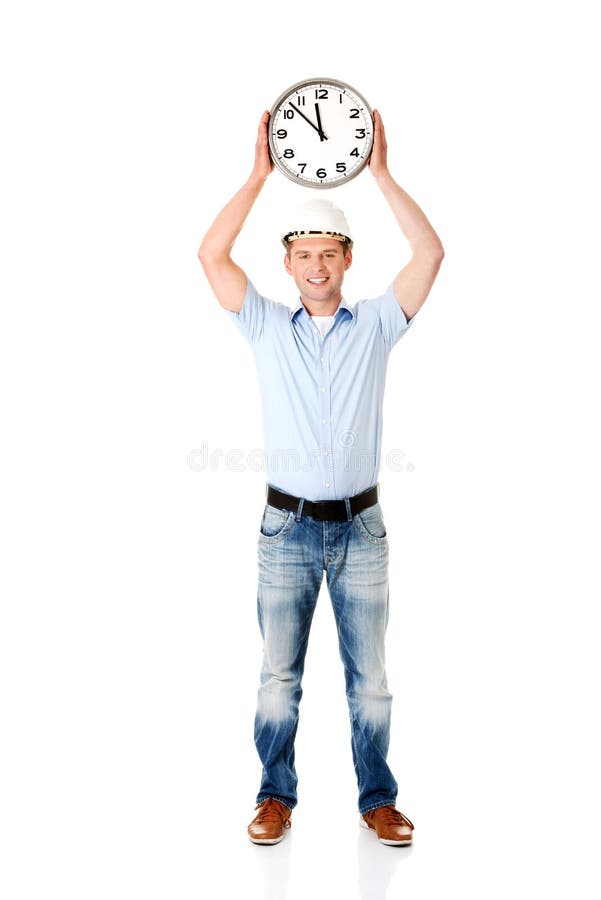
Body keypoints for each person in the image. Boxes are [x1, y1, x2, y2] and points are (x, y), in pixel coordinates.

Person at [198, 108, 444, 846]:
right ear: (287, 263)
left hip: (362, 528)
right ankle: (275, 796)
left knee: (369, 679)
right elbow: (210, 256)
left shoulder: (375, 322)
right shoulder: (265, 325)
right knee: (279, 677)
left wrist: (380, 174)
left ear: (345, 260)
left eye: (328, 253)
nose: (315, 265)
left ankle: (377, 800)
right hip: (287, 529)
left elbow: (430, 253)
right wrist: (257, 175)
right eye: (303, 253)